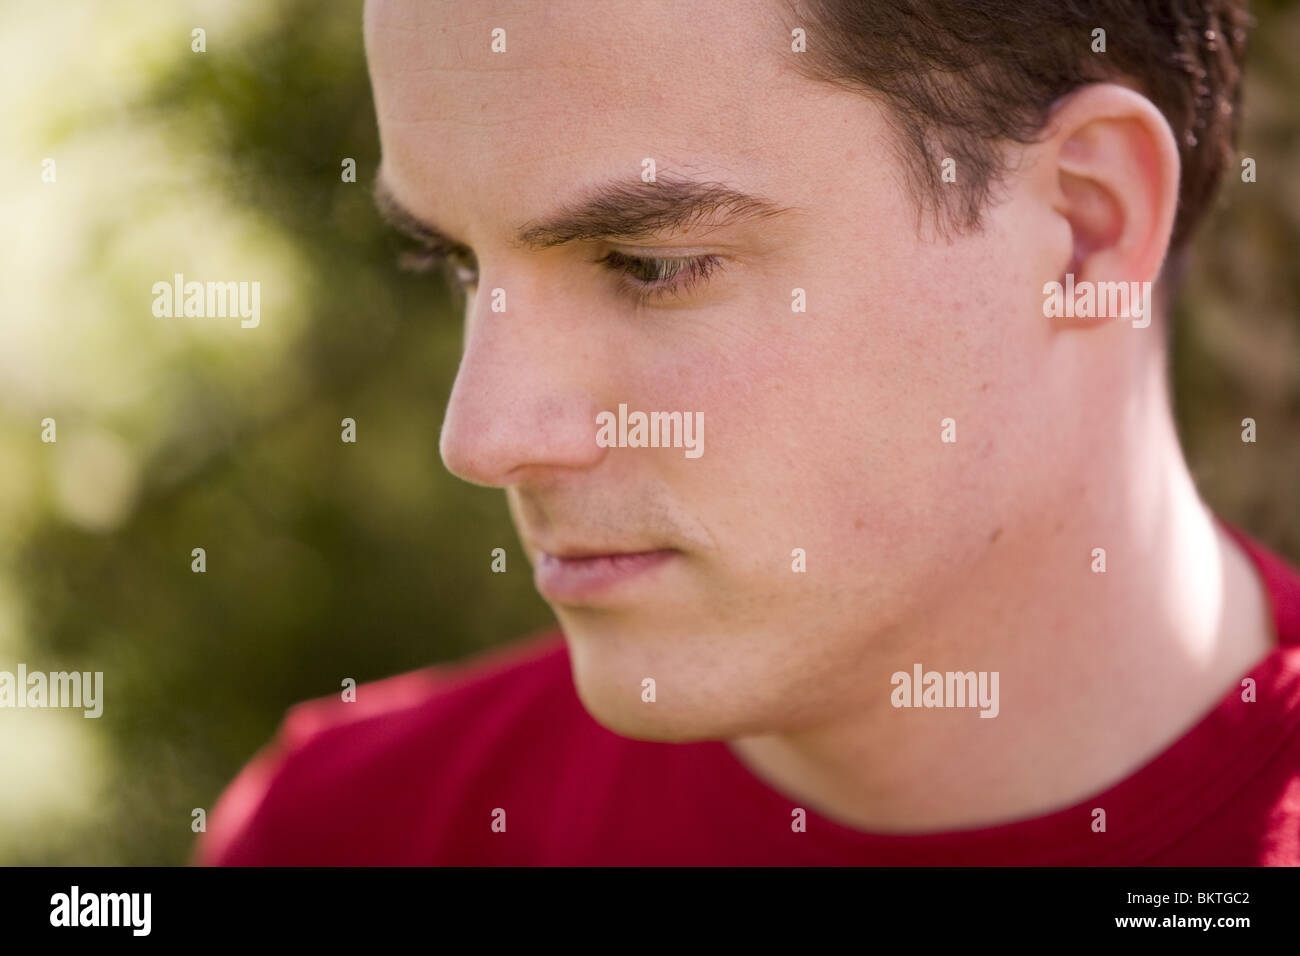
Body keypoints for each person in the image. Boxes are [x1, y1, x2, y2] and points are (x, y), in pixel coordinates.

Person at [196, 0, 1300, 865]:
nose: (485, 436)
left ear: (1083, 228)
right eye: (459, 264)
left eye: (650, 265)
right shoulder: (348, 834)